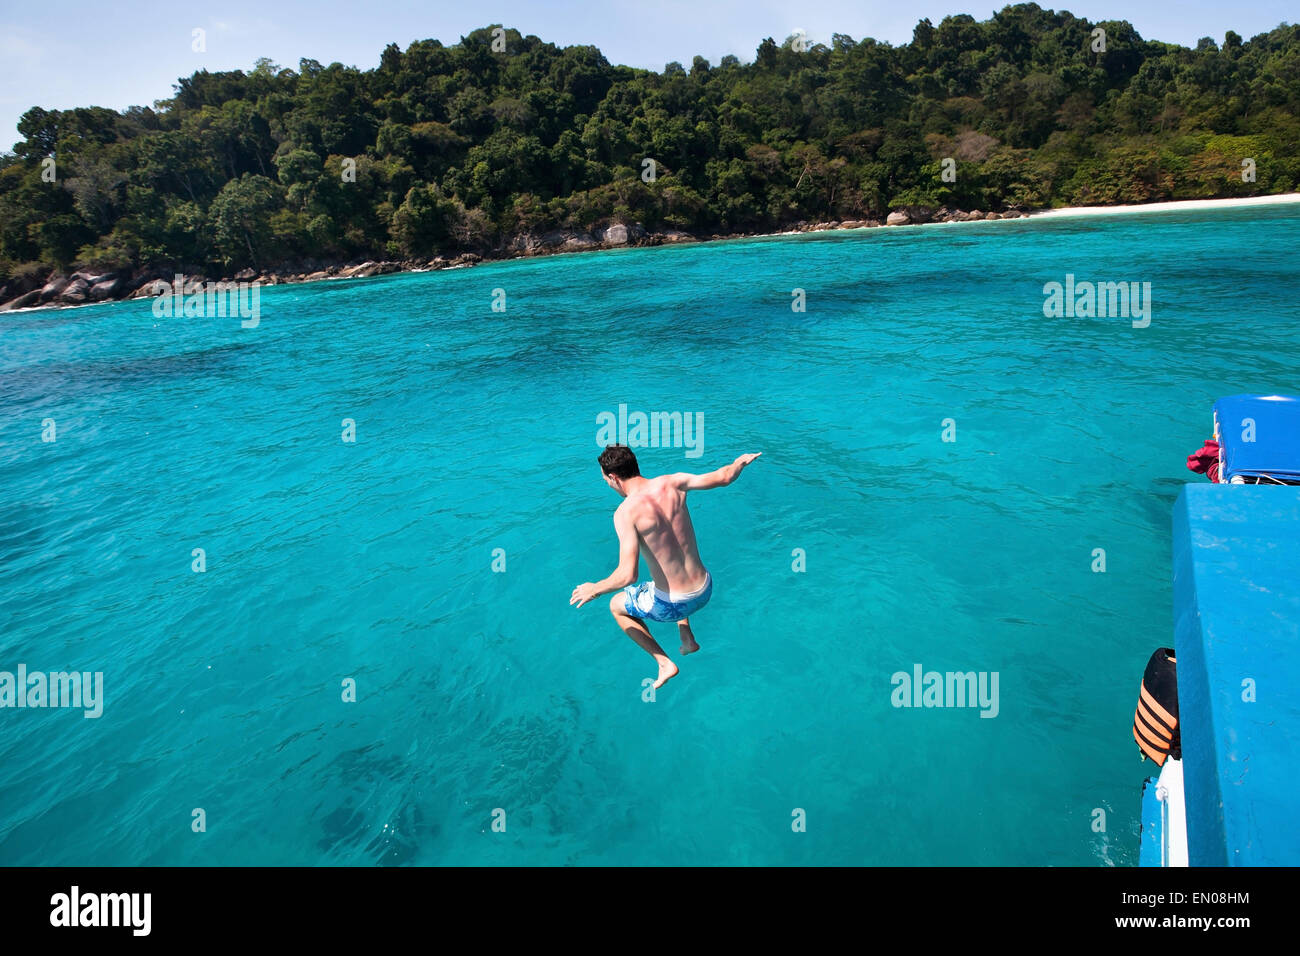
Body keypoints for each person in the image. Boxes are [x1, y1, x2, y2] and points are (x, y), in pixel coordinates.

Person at [570, 444, 762, 689]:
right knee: (661, 578)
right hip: (705, 588)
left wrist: (594, 588)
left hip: (674, 604)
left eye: (606, 481)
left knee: (616, 605)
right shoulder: (674, 482)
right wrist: (740, 462)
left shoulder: (625, 513)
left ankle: (663, 663)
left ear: (613, 477)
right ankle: (686, 636)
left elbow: (627, 575)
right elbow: (724, 477)